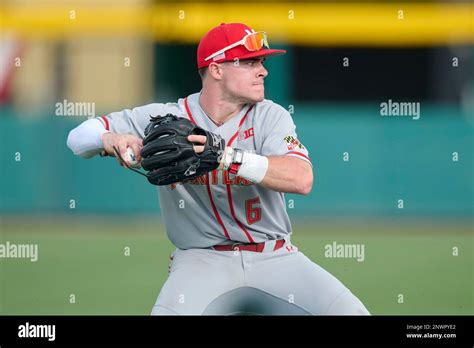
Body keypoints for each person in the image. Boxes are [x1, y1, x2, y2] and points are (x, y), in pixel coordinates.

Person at [67, 22, 369, 315]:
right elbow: (77, 138)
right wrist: (111, 138)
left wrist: (227, 157)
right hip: (201, 262)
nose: (262, 70)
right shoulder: (164, 117)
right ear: (216, 69)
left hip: (275, 257)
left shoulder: (270, 117)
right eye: (250, 62)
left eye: (261, 61)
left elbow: (301, 179)